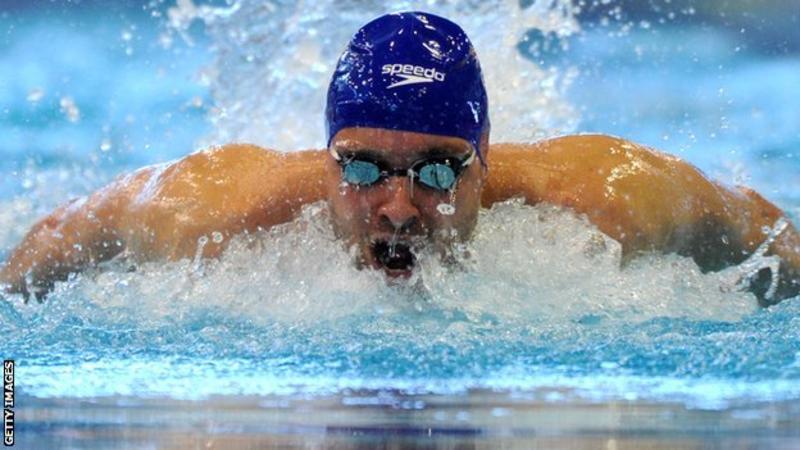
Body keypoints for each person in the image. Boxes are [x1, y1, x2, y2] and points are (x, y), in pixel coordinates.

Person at [1, 11, 798, 305]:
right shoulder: (211, 211)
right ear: (326, 161)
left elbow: (765, 233)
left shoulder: (611, 200)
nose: (397, 208)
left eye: (440, 170)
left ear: (485, 160)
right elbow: (49, 245)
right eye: (361, 167)